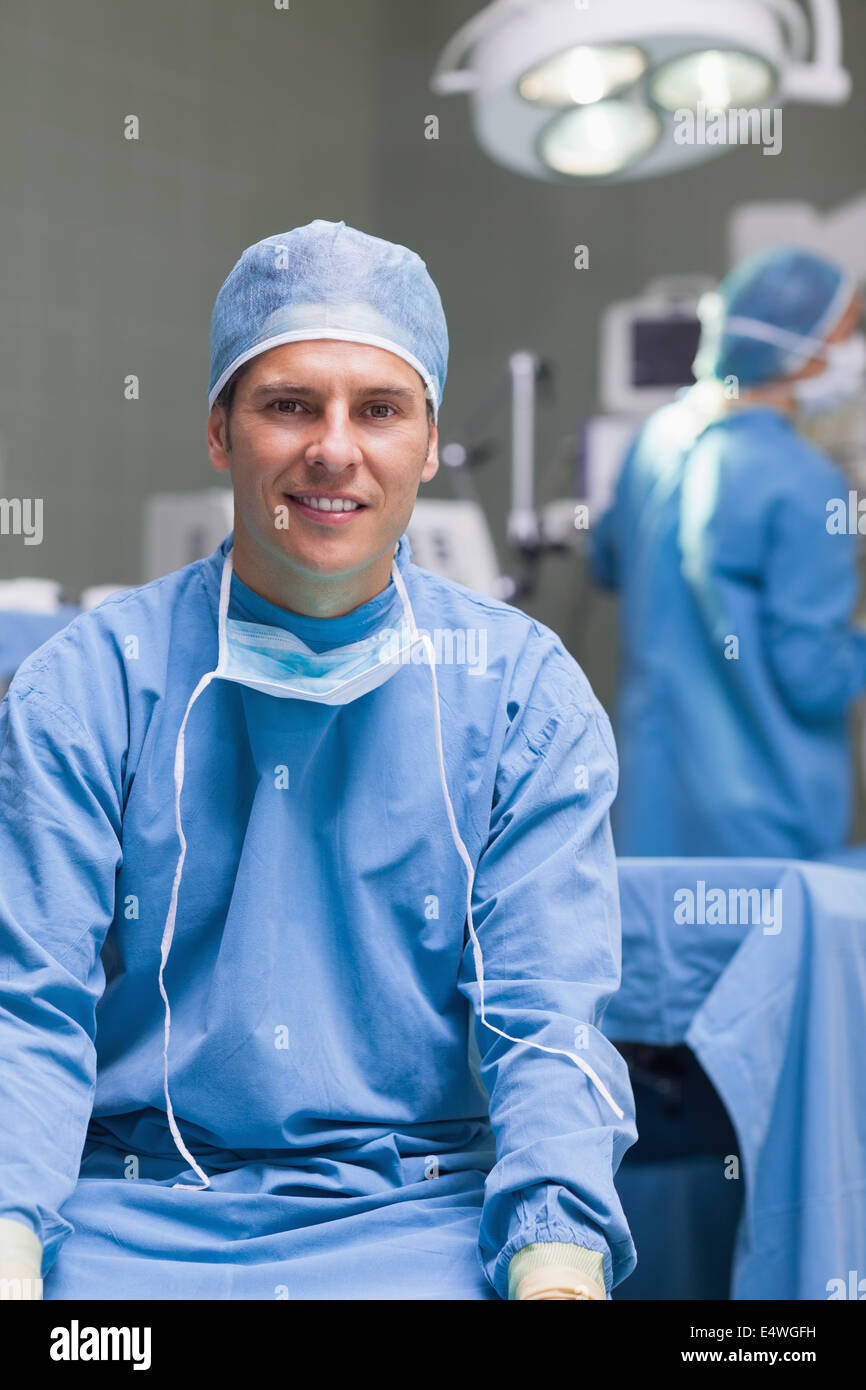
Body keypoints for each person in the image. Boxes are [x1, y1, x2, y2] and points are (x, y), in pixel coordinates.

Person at [0, 220, 635, 1301]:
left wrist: (554, 1254)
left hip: (419, 1211)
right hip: (132, 1211)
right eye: (289, 404)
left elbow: (547, 1018)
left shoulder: (518, 691)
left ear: (430, 443)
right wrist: (13, 1239)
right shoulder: (91, 686)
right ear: (219, 430)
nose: (333, 448)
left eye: (378, 410)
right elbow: (27, 1006)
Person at [592, 246, 866, 859]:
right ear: (798, 348)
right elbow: (814, 678)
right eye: (848, 334)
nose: (854, 355)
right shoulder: (804, 481)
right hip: (762, 831)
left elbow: (606, 561)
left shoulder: (656, 438)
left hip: (651, 821)